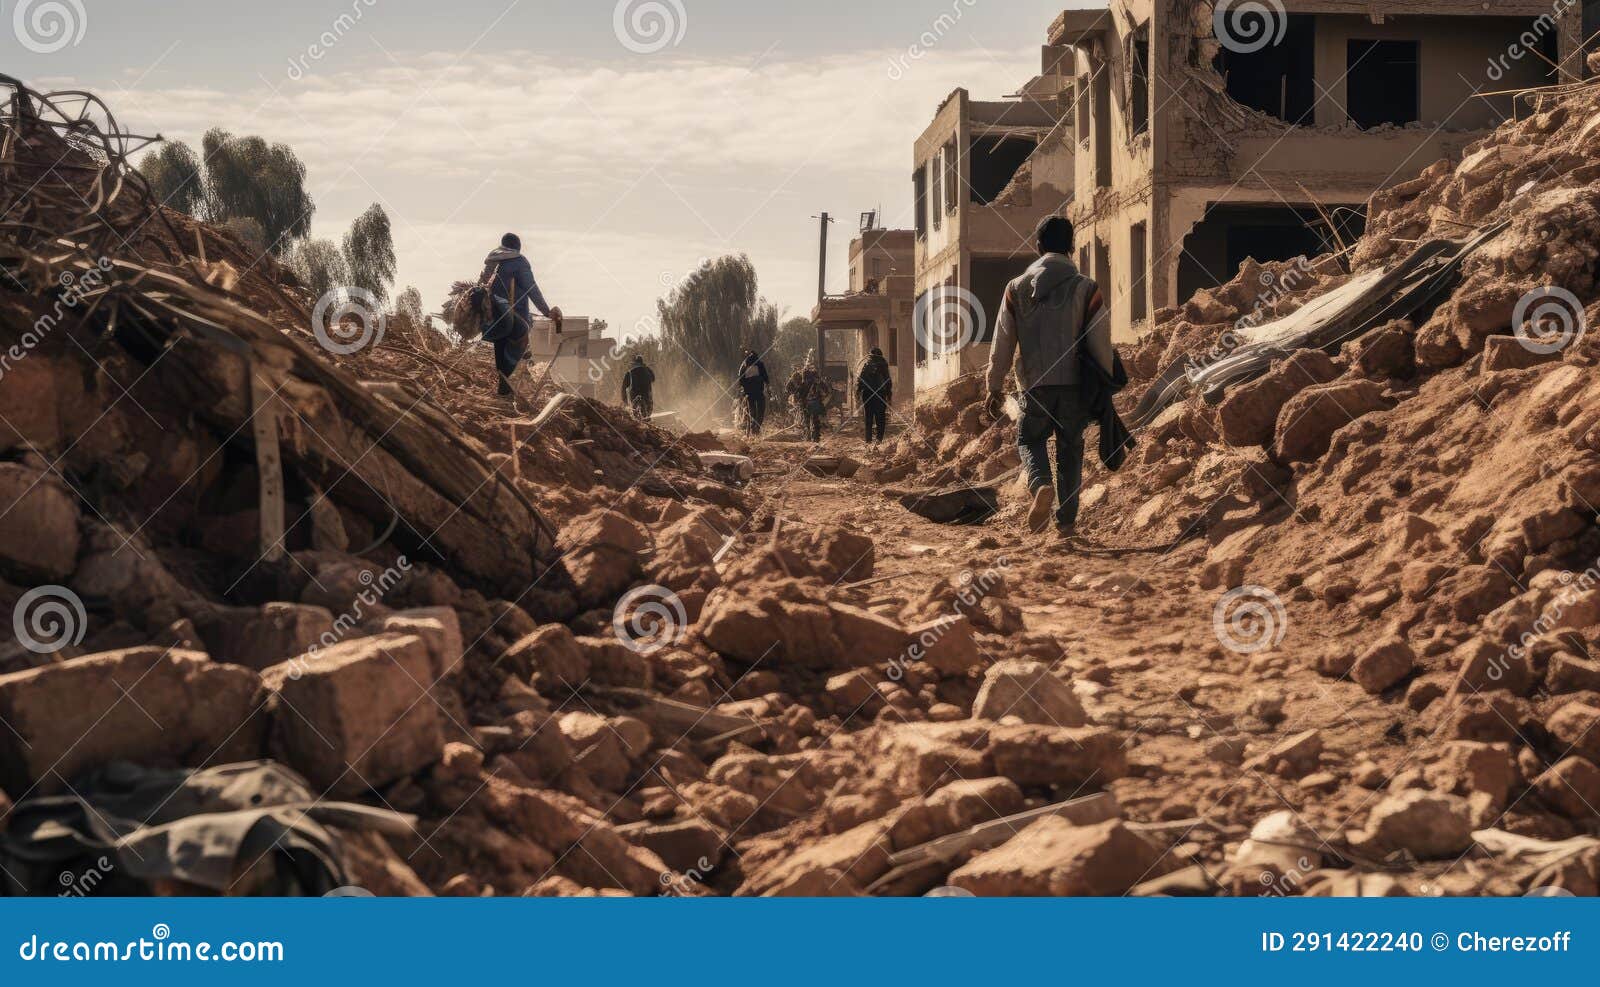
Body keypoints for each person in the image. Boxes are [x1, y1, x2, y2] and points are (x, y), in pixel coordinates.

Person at [984, 215, 1115, 537]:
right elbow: (1100, 340)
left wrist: (994, 385)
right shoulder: (1087, 288)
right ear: (1072, 246)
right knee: (1071, 449)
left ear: (1038, 246)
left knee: (1030, 439)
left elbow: (1003, 341)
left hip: (1034, 386)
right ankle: (1067, 522)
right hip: (1075, 386)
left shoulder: (1015, 288)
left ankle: (1041, 483)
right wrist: (1106, 384)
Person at [480, 233, 560, 396]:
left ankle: (503, 393)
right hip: (514, 316)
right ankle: (508, 392)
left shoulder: (493, 261)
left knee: (502, 353)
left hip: (493, 316)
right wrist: (546, 311)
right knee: (518, 349)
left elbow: (482, 285)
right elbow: (532, 289)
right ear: (518, 247)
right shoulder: (519, 262)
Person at [855, 346, 893, 444]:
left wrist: (858, 392)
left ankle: (868, 440)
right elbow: (888, 381)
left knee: (869, 417)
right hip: (880, 394)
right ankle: (879, 440)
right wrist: (889, 396)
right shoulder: (883, 364)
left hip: (868, 394)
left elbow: (860, 380)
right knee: (880, 417)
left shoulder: (866, 364)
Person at [736, 348, 769, 434]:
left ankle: (752, 428)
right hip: (758, 392)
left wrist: (743, 389)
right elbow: (766, 377)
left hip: (749, 393)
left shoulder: (744, 365)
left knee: (752, 411)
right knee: (761, 410)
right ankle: (756, 428)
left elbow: (740, 379)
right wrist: (768, 388)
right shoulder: (760, 364)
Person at [799, 365, 829, 443]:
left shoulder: (804, 384)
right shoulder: (818, 382)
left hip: (807, 405)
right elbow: (826, 391)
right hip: (816, 404)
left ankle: (809, 435)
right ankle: (815, 437)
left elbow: (799, 394)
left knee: (807, 420)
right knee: (815, 421)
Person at [622, 354, 655, 420]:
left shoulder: (629, 373)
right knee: (647, 411)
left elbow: (624, 387)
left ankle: (640, 417)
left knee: (635, 413)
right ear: (642, 363)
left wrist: (625, 400)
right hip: (646, 396)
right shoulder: (647, 370)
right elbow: (653, 379)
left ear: (634, 363)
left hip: (635, 396)